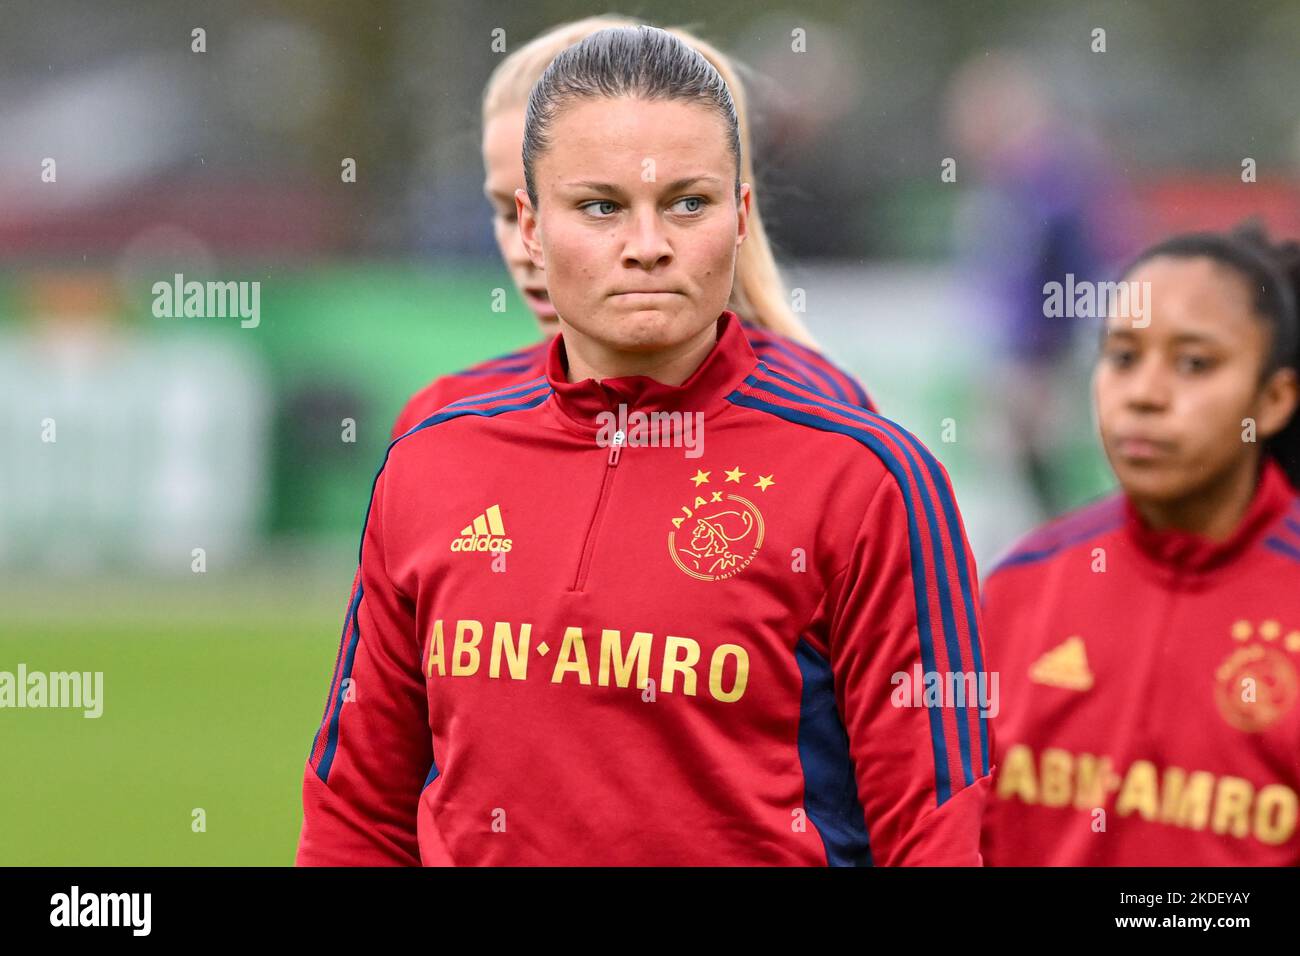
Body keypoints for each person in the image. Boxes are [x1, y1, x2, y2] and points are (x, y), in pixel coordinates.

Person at [296, 25, 989, 867]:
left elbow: (938, 832)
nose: (648, 243)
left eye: (687, 203)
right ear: (530, 221)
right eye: (602, 206)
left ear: (738, 216)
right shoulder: (433, 453)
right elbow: (358, 816)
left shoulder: (868, 478)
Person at [390, 16, 874, 441]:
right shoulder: (446, 422)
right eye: (506, 210)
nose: (524, 248)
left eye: (597, 204)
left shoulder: (823, 417)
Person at [980, 223, 1300, 865]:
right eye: (1123, 356)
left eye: (1193, 364)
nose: (1145, 395)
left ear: (1272, 399)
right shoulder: (1020, 585)